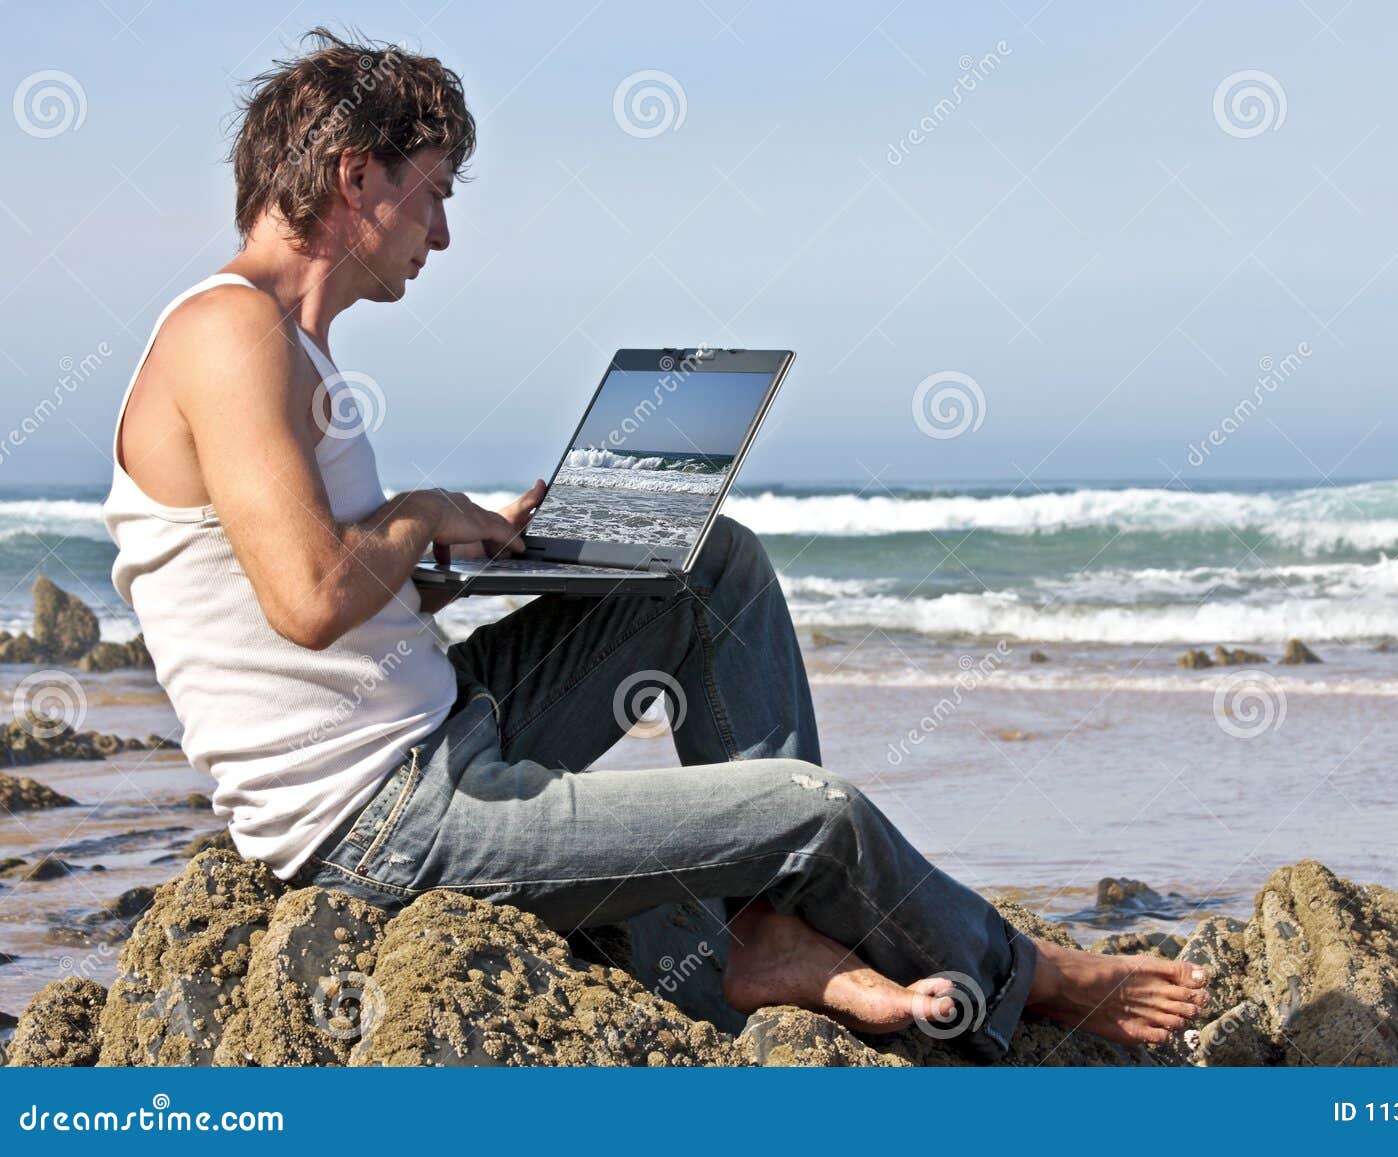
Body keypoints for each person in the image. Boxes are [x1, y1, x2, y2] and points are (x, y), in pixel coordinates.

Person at [103, 29, 1208, 1062]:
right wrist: (425, 506)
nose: (441, 233)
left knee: (706, 565)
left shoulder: (286, 344)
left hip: (438, 723)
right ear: (358, 179)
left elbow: (296, 613)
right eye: (433, 194)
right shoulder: (229, 331)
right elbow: (305, 597)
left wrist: (481, 559)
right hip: (382, 818)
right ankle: (1033, 978)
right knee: (812, 812)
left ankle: (767, 926)